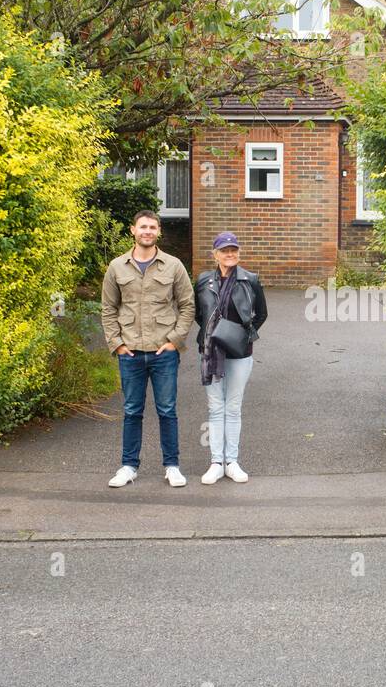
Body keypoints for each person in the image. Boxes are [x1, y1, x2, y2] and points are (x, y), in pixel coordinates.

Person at [101, 210, 195, 489]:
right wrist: (116, 344)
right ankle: (128, 466)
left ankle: (172, 466)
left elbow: (188, 306)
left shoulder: (173, 265)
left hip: (163, 352)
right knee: (132, 411)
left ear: (159, 231)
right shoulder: (117, 267)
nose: (147, 231)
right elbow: (108, 309)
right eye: (142, 227)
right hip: (129, 351)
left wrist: (175, 341)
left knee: (167, 410)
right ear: (133, 230)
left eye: (152, 227)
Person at [195, 232, 267, 484]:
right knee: (215, 407)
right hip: (210, 351)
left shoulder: (251, 280)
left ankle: (232, 461)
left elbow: (261, 314)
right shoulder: (204, 281)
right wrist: (213, 335)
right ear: (215, 254)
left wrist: (241, 336)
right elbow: (198, 314)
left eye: (234, 250)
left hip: (240, 352)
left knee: (233, 406)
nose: (230, 254)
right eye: (225, 250)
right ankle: (216, 462)